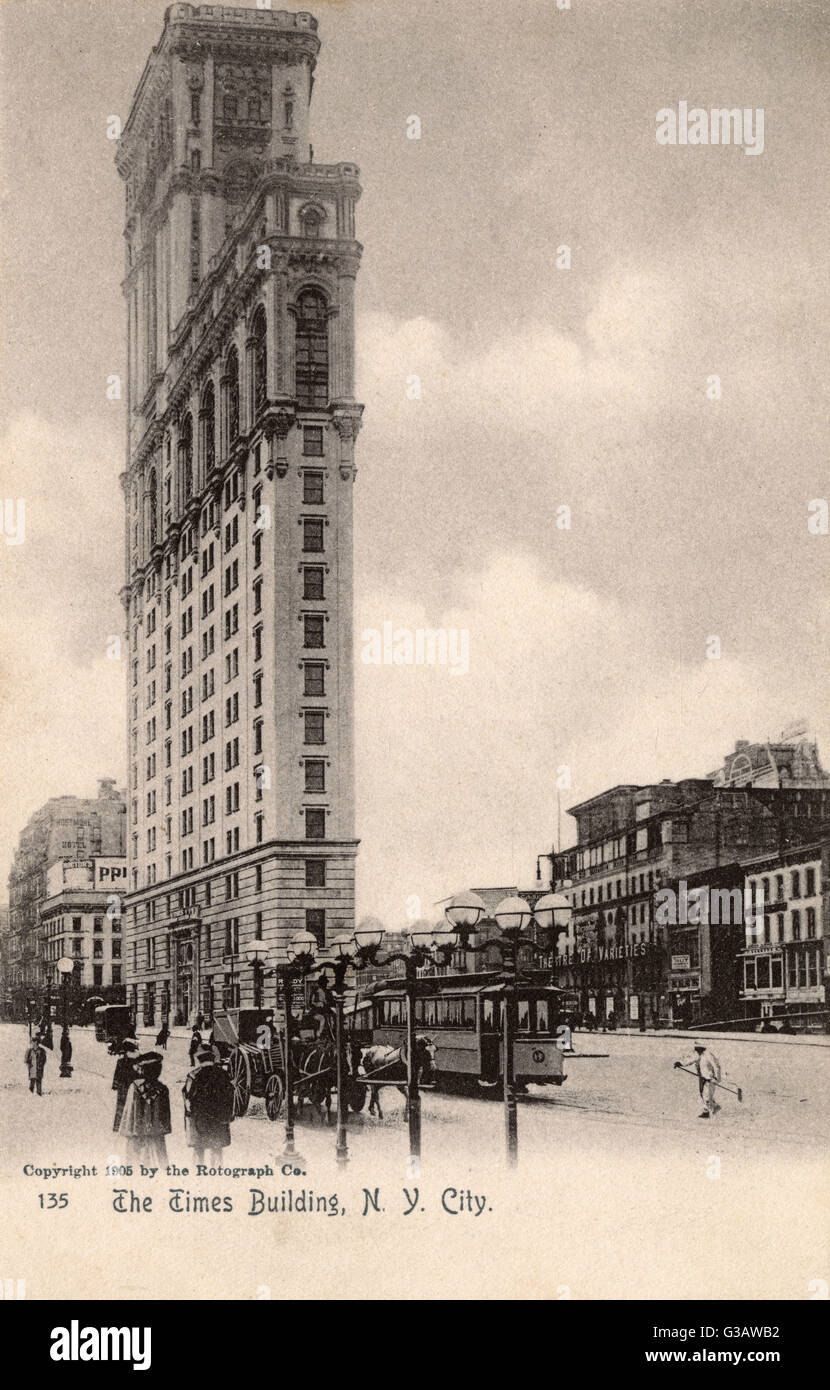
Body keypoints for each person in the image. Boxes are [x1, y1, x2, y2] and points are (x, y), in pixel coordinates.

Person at [182, 1044, 236, 1167]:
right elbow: (230, 1098)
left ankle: (198, 1176)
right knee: (217, 1150)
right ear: (212, 1058)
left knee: (198, 1151)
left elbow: (188, 1103)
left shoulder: (193, 1076)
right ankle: (217, 1177)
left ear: (199, 1059)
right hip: (219, 1120)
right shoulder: (223, 1074)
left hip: (199, 1122)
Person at [118, 1052, 171, 1163]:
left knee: (135, 1158)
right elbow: (165, 1115)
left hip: (138, 1130)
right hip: (156, 1131)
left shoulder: (134, 1087)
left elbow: (130, 1112)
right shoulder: (163, 1089)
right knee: (159, 1156)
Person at [675, 1041, 722, 1118]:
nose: (696, 1049)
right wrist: (680, 1063)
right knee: (703, 1094)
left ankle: (707, 1112)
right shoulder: (698, 1055)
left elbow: (717, 1066)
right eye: (695, 1048)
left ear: (702, 1048)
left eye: (697, 1048)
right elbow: (690, 1061)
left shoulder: (709, 1055)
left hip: (710, 1078)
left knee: (706, 1095)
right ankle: (714, 1107)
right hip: (702, 1077)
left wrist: (717, 1078)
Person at [112, 1038, 139, 1132]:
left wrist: (115, 1084)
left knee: (120, 1105)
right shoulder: (137, 1059)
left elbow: (117, 1074)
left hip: (122, 1086)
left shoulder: (121, 1060)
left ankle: (118, 1125)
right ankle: (132, 1126)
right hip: (134, 1085)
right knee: (133, 1105)